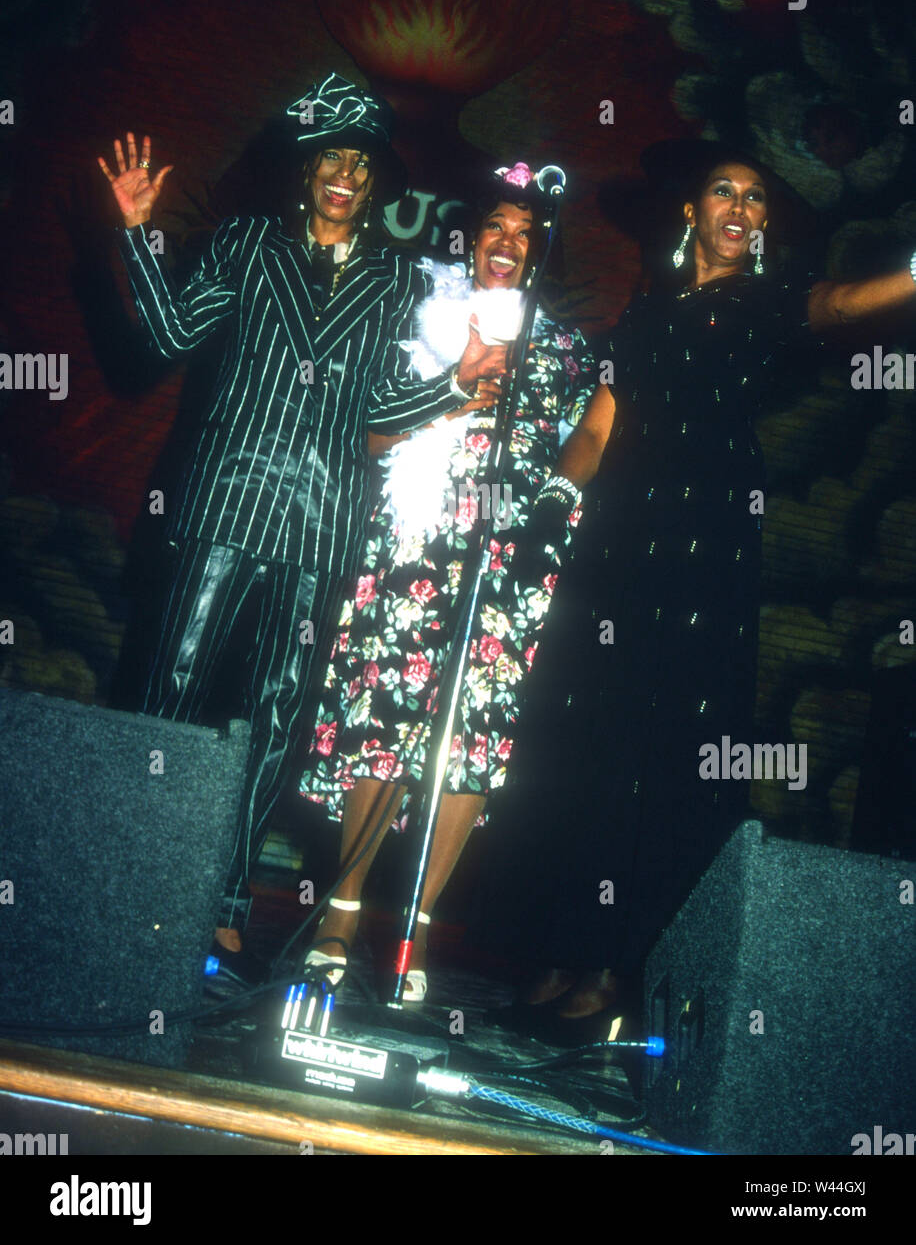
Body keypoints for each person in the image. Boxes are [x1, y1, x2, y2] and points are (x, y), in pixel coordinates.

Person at [489, 140, 916, 1036]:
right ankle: (564, 948)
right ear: (691, 213)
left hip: (703, 538)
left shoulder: (765, 301)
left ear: (761, 227)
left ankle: (616, 969)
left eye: (756, 199)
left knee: (661, 742)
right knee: (588, 735)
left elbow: (840, 303)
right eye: (723, 189)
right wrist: (555, 498)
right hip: (618, 539)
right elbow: (599, 427)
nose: (740, 206)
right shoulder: (646, 317)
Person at [97, 73, 506, 977]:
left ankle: (225, 901)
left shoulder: (397, 281)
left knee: (277, 715)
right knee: (169, 685)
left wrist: (457, 380)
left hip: (321, 526)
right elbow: (166, 338)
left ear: (376, 186)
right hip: (225, 505)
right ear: (305, 171)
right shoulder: (246, 246)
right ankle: (131, 875)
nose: (345, 174)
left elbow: (381, 402)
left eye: (362, 164)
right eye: (332, 157)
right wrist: (134, 232)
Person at [297, 161, 597, 1002]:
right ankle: (342, 913)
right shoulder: (416, 312)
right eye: (493, 226)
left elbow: (593, 442)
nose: (506, 243)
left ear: (544, 250)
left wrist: (548, 514)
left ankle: (415, 937)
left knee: (470, 743)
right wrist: (449, 389)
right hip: (415, 545)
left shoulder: (570, 350)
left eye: (524, 231)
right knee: (386, 717)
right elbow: (362, 437)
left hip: (510, 561)